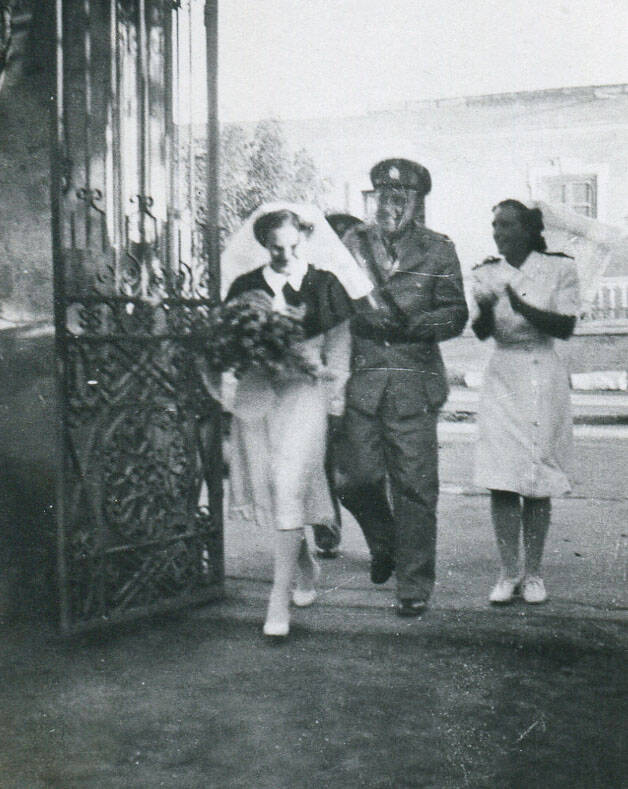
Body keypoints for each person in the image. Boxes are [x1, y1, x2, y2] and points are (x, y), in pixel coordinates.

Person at [222, 205, 372, 638]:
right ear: (264, 246)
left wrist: (334, 398)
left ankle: (277, 597)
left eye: (292, 245)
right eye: (275, 248)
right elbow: (230, 348)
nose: (284, 255)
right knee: (273, 486)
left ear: (306, 238)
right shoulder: (246, 287)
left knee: (290, 483)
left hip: (306, 395)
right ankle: (302, 563)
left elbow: (340, 353)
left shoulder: (326, 285)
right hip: (259, 394)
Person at [336, 158, 468, 617]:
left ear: (417, 202)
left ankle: (413, 585)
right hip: (364, 378)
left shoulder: (438, 250)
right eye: (382, 196)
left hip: (414, 382)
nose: (389, 204)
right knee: (353, 479)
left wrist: (414, 324)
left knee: (414, 487)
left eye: (400, 197)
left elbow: (456, 313)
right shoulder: (352, 244)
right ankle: (386, 540)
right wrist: (360, 317)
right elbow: (333, 301)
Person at [471, 199, 580, 605]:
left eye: (507, 225)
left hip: (542, 374)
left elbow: (565, 326)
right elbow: (482, 332)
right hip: (503, 376)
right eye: (495, 224)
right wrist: (484, 310)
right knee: (502, 477)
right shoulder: (485, 272)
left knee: (537, 478)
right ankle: (507, 571)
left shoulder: (559, 268)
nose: (498, 232)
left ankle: (533, 574)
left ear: (529, 230)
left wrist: (520, 305)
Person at [310, 213, 363, 560]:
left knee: (369, 465)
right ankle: (327, 526)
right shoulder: (317, 281)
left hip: (371, 373)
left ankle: (382, 533)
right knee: (325, 456)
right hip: (334, 379)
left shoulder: (366, 275)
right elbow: (332, 343)